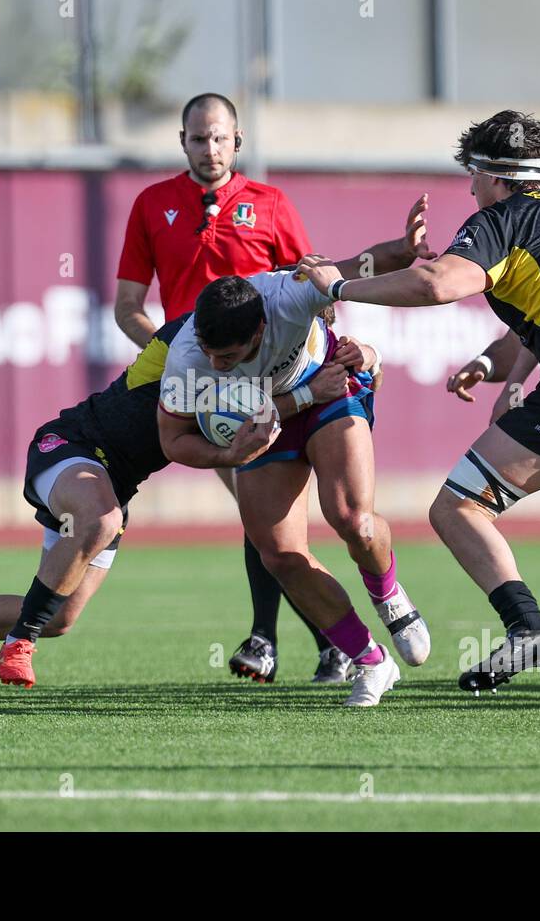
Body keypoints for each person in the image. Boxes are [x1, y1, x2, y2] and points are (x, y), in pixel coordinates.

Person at [297, 110, 540, 707]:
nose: (468, 188)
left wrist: (337, 287)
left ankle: (528, 629)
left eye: (472, 175)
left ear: (491, 175)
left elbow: (438, 284)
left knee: (457, 507)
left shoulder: (500, 219)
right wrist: (495, 366)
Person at [0, 314, 373, 701]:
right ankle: (18, 642)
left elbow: (257, 395)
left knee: (60, 617)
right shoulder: (197, 358)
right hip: (69, 448)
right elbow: (229, 412)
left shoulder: (242, 363)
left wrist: (363, 320)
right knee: (101, 520)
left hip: (113, 484)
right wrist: (307, 393)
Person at [115, 92, 341, 682]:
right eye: (197, 138)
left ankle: (290, 641)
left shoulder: (270, 204)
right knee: (258, 510)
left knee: (271, 515)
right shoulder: (153, 204)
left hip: (273, 379)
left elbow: (309, 286)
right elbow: (127, 307)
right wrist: (172, 360)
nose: (209, 148)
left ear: (236, 142)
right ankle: (313, 643)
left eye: (219, 138)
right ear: (182, 142)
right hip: (205, 386)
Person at [156, 263, 434, 708]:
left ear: (260, 329)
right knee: (280, 555)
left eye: (227, 358)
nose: (214, 364)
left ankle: (389, 597)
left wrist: (371, 354)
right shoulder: (188, 357)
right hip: (271, 420)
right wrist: (228, 456)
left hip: (328, 388)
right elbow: (172, 441)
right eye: (209, 352)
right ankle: (370, 660)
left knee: (352, 519)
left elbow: (347, 275)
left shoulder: (288, 296)